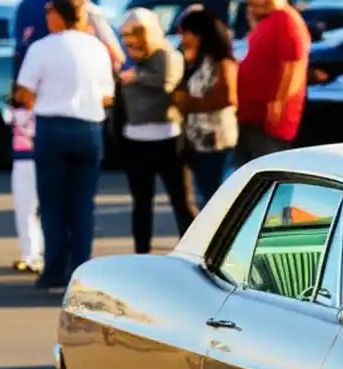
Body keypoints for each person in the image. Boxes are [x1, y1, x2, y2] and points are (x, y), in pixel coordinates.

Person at [14, 0, 114, 291]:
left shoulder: (42, 48)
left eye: (49, 12)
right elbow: (108, 96)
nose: (46, 17)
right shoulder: (96, 48)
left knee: (53, 205)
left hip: (53, 128)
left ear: (59, 15)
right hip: (89, 128)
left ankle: (54, 270)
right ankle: (81, 270)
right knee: (83, 204)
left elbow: (25, 92)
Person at [118, 9, 198, 253]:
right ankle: (141, 252)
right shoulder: (131, 57)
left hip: (167, 137)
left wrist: (136, 76)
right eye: (128, 34)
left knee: (181, 201)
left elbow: (166, 81)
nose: (132, 39)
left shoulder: (166, 53)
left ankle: (194, 249)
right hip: (135, 138)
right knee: (141, 203)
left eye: (138, 32)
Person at [173, 6, 239, 205]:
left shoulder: (222, 63)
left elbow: (228, 98)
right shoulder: (194, 62)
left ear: (200, 34)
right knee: (204, 195)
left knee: (214, 199)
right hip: (197, 143)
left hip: (217, 142)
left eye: (186, 33)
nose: (183, 38)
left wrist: (190, 104)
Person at [235, 0, 310, 165]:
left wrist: (278, 105)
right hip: (252, 116)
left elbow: (292, 67)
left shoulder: (286, 19)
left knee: (269, 172)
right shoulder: (269, 20)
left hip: (268, 121)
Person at [10, 108, 43, 275]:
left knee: (27, 208)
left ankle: (34, 256)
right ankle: (33, 255)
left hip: (28, 157)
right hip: (28, 156)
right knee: (32, 209)